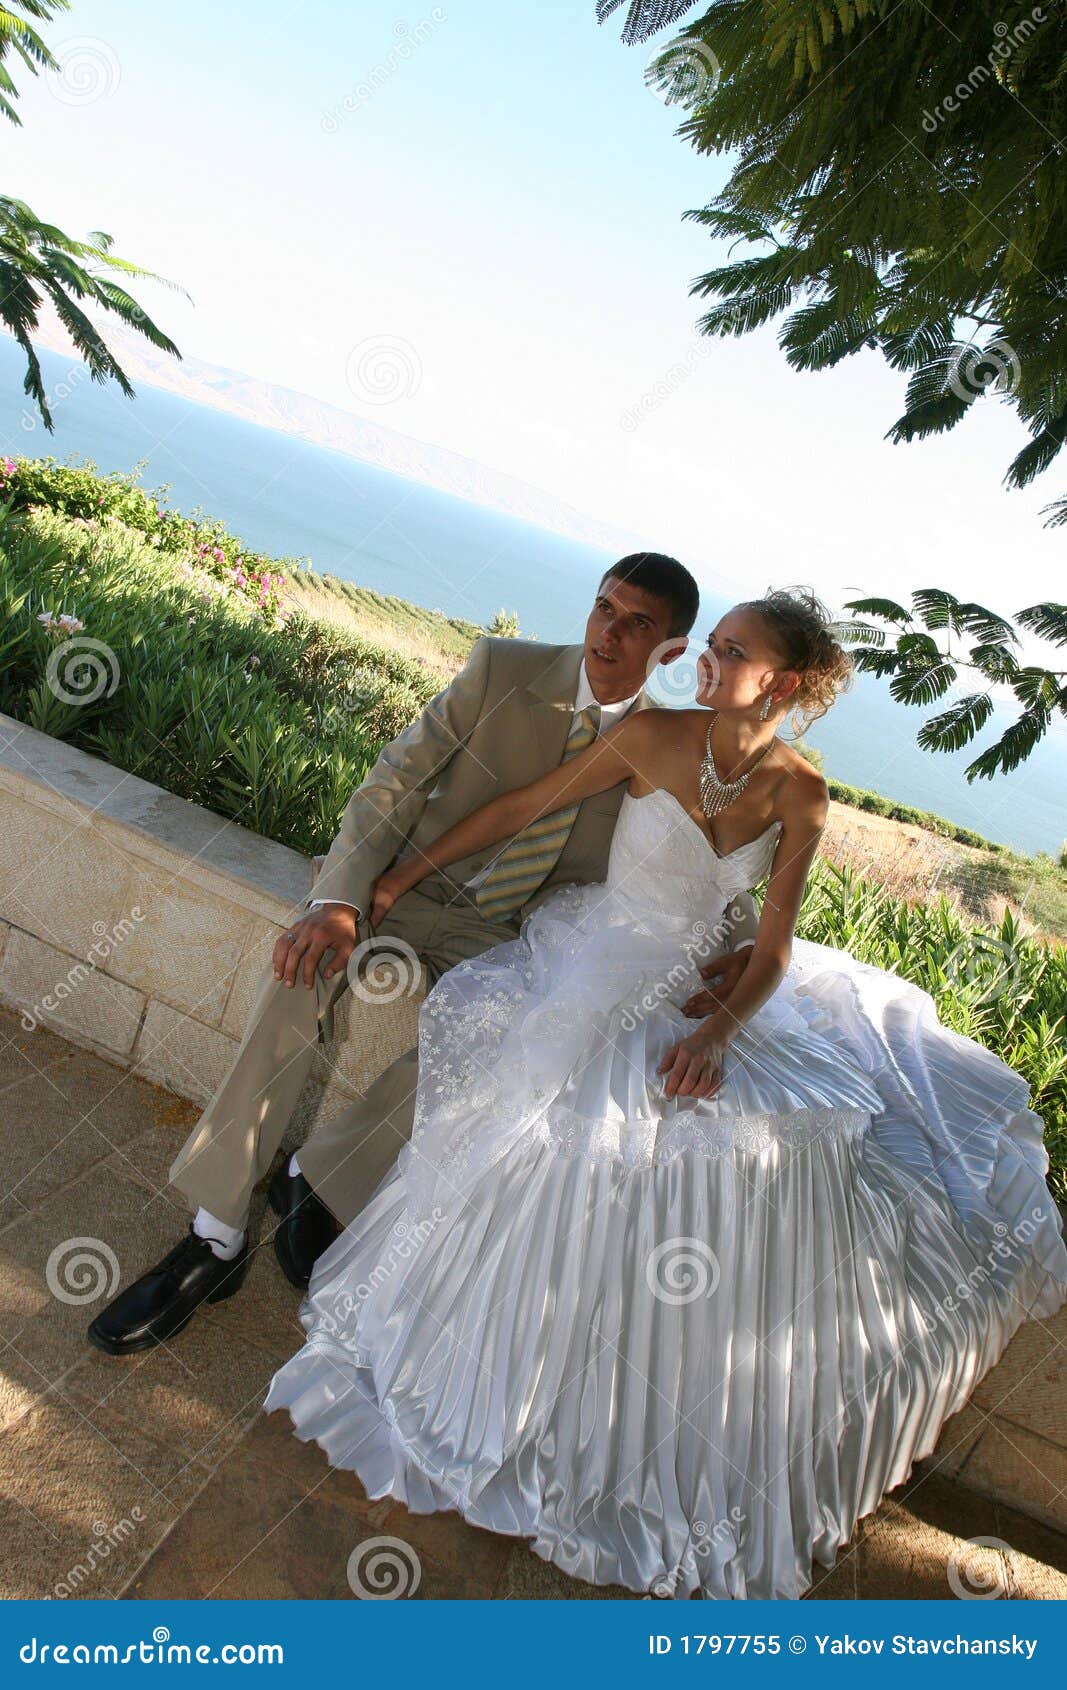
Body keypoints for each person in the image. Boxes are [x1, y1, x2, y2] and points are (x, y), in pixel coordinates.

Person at [263, 584, 1067, 1601]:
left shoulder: (801, 795)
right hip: (595, 961)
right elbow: (522, 807)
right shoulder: (652, 733)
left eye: (729, 651)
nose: (705, 661)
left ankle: (637, 1436)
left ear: (779, 681)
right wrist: (397, 871)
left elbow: (770, 946)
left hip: (693, 993)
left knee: (730, 1145)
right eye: (712, 643)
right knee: (562, 1134)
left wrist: (719, 1031)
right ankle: (492, 1386)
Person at [87, 553, 761, 1356]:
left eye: (636, 624)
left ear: (672, 652)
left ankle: (320, 1178)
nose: (608, 632)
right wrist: (336, 901)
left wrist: (745, 944)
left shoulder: (659, 744)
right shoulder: (502, 669)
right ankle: (214, 1235)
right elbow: (392, 781)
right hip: (399, 892)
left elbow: (708, 859)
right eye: (602, 607)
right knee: (296, 975)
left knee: (505, 1042)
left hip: (507, 936)